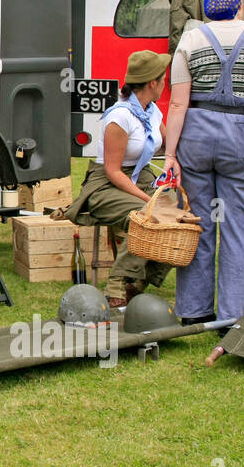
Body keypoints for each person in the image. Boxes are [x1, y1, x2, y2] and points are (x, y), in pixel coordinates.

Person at [163, 0, 244, 323]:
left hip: (197, 138)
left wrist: (170, 155)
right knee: (240, 229)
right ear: (240, 5)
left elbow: (177, 105)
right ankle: (231, 316)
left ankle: (193, 311)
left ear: (207, 9)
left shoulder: (190, 39)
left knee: (197, 223)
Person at [60, 50, 173, 307]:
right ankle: (116, 287)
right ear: (153, 83)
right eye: (163, 78)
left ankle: (139, 283)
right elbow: (113, 170)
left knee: (177, 214)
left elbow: (167, 145)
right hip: (106, 183)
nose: (165, 83)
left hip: (139, 176)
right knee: (143, 215)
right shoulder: (120, 117)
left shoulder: (152, 112)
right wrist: (149, 199)